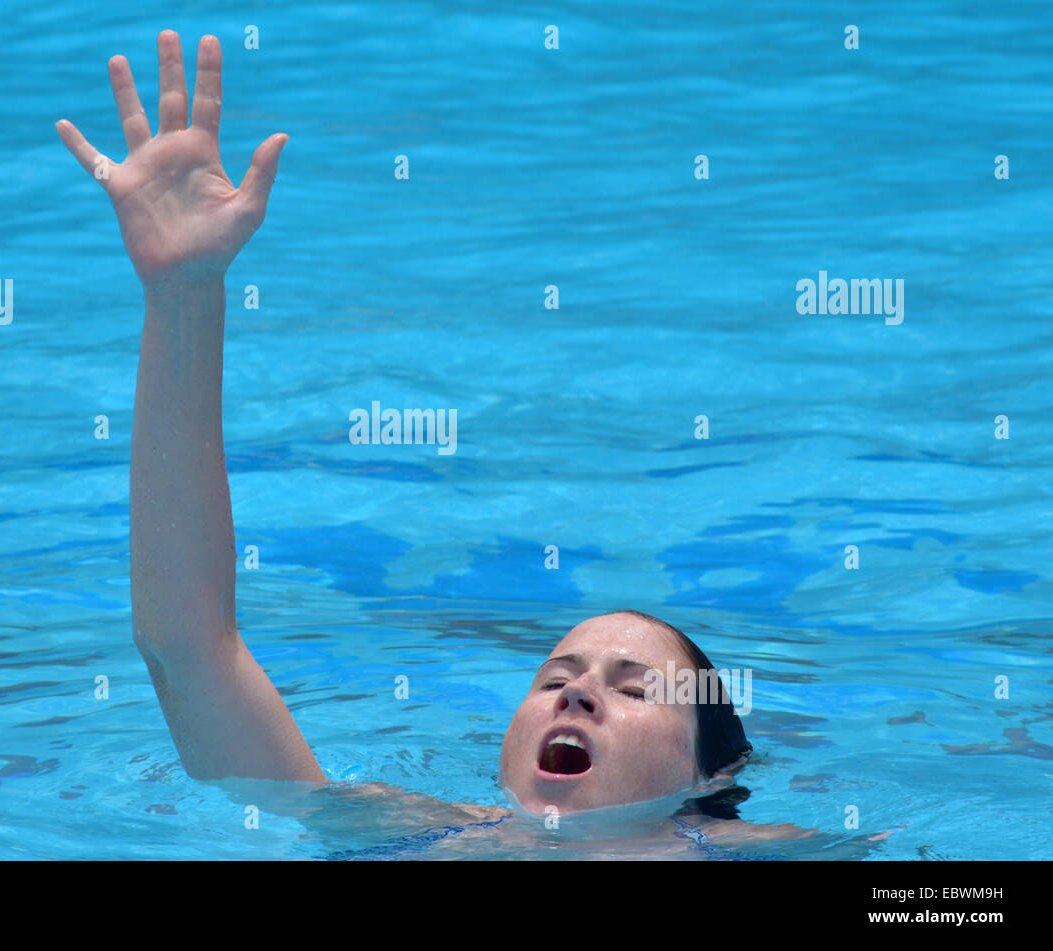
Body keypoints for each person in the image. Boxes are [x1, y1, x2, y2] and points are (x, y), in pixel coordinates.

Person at [55, 32, 822, 846]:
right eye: (556, 678)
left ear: (711, 774)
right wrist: (183, 294)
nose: (577, 695)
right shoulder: (405, 836)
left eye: (636, 691)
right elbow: (186, 644)